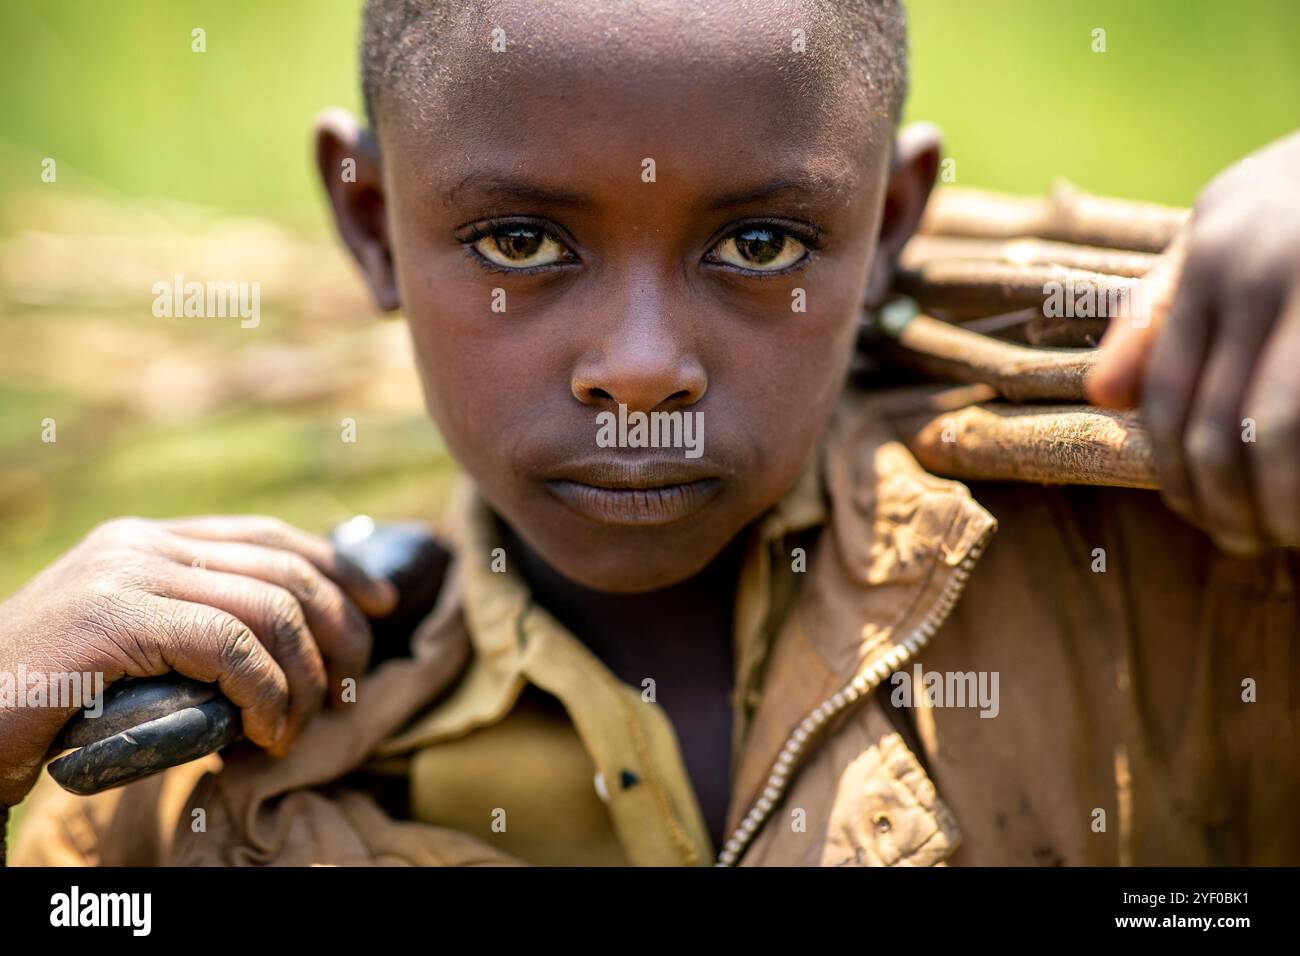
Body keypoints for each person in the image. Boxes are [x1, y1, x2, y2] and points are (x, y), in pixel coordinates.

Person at [3, 0, 1299, 867]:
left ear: (893, 219)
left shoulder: (1177, 589)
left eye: (759, 245)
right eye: (520, 242)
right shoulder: (178, 779)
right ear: (367, 217)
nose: (639, 370)